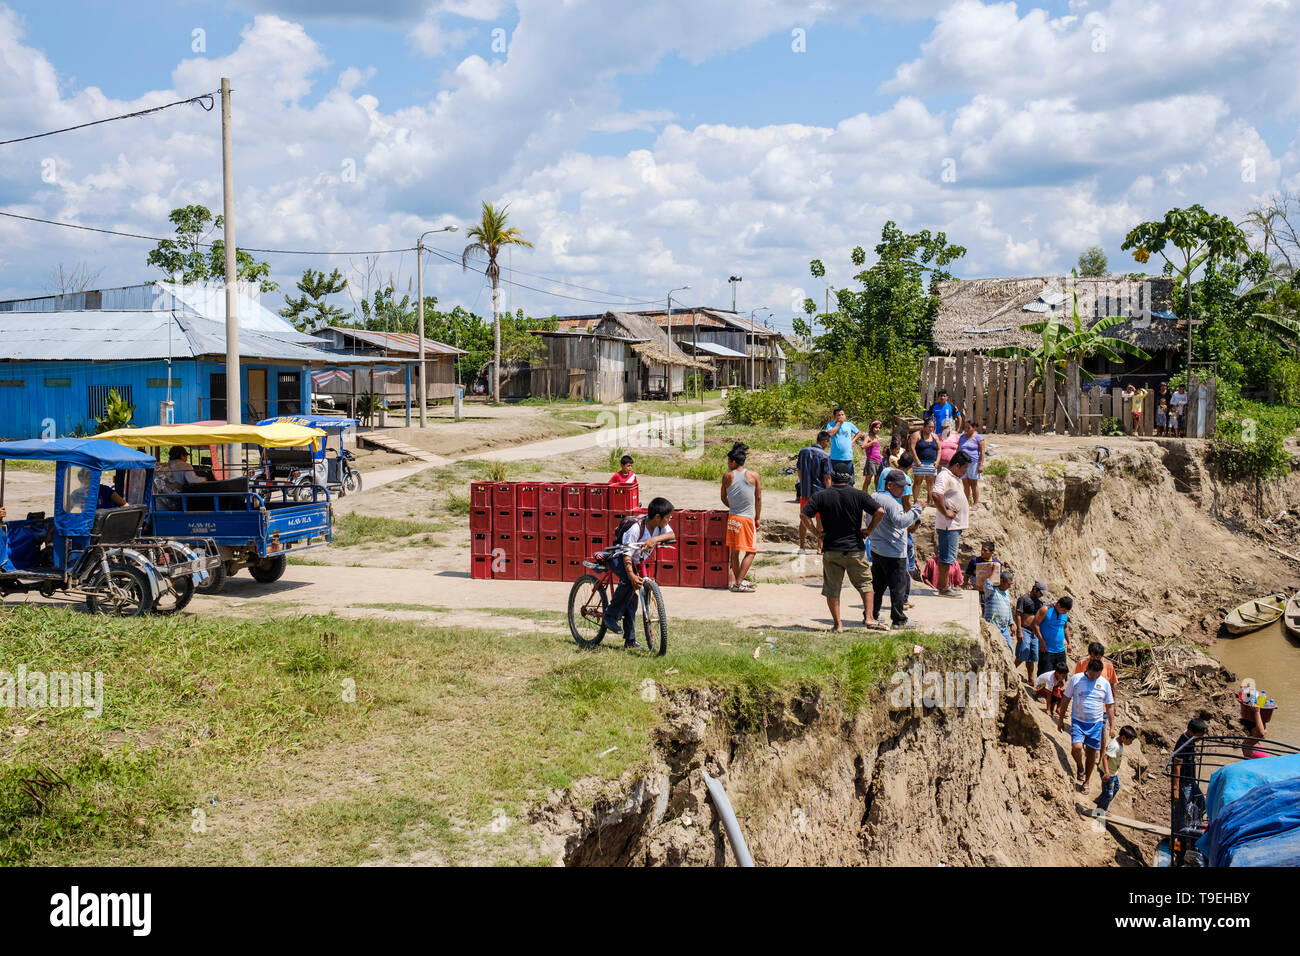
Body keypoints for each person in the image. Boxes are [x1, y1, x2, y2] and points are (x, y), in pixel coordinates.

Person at [800, 471, 881, 633]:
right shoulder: (859, 495)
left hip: (832, 549)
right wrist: (870, 530)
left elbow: (803, 514)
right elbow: (880, 512)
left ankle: (838, 625)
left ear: (831, 478)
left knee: (833, 588)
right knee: (865, 583)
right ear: (850, 479)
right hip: (855, 549)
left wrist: (816, 533)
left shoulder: (821, 495)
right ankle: (870, 618)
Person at [602, 496, 675, 646]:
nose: (669, 520)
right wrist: (631, 575)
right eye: (668, 517)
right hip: (619, 556)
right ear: (657, 517)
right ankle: (609, 615)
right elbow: (626, 557)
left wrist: (654, 540)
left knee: (632, 599)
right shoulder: (635, 528)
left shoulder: (659, 526)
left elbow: (671, 535)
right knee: (629, 582)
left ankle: (630, 639)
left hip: (636, 560)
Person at [864, 469, 924, 631]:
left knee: (877, 586)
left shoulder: (874, 497)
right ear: (889, 485)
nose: (903, 490)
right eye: (900, 487)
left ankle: (871, 615)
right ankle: (898, 620)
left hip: (878, 549)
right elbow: (901, 522)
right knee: (898, 588)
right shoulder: (891, 503)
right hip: (893, 552)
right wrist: (917, 509)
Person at [1059, 657, 1116, 790]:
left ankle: (1087, 781)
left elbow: (1109, 705)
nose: (1093, 678)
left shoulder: (1104, 683)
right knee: (1077, 747)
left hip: (1096, 723)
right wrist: (1061, 719)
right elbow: (1066, 698)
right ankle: (1080, 766)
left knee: (1091, 753)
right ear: (1087, 670)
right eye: (1091, 675)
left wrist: (1112, 726)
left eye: (1096, 676)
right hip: (1078, 721)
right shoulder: (1076, 679)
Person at [930, 450, 972, 595]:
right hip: (949, 525)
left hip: (954, 525)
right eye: (965, 467)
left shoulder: (954, 477)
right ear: (956, 465)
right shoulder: (944, 476)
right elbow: (936, 494)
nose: (966, 471)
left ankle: (947, 584)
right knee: (946, 557)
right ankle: (944, 587)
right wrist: (946, 512)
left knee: (949, 556)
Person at [721, 443, 761, 593]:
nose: (727, 464)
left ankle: (739, 581)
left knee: (735, 552)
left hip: (733, 518)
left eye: (728, 461)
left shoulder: (727, 476)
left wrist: (733, 506)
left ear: (734, 461)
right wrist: (757, 517)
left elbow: (723, 497)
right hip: (747, 519)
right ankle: (738, 583)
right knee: (751, 551)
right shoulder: (754, 475)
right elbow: (758, 498)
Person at [795, 431, 832, 553]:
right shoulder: (825, 456)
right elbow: (827, 477)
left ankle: (802, 547)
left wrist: (803, 484)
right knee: (820, 519)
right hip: (819, 493)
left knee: (804, 519)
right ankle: (819, 547)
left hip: (805, 492)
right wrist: (830, 492)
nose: (827, 445)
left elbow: (799, 472)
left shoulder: (803, 452)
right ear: (824, 441)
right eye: (828, 442)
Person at [1171, 717, 1208, 836]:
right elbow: (1177, 766)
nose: (1200, 738)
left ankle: (1194, 825)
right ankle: (1178, 836)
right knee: (1182, 810)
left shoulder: (1191, 741)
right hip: (1184, 783)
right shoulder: (1183, 744)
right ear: (1191, 732)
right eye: (1199, 736)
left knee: (1201, 802)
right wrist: (1176, 789)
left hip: (1191, 781)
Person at [1097, 725, 1138, 812]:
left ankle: (1101, 800)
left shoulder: (1120, 743)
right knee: (1109, 794)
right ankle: (1100, 811)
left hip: (1113, 773)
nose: (1131, 743)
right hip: (1109, 773)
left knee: (1116, 787)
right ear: (1123, 737)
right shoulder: (1115, 746)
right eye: (1130, 740)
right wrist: (1107, 772)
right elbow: (1104, 757)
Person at [1015, 580, 1047, 685]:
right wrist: (1019, 630)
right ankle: (1012, 670)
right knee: (1023, 652)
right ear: (1035, 589)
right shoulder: (1023, 599)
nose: (1041, 595)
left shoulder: (1040, 602)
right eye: (1040, 592)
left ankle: (1031, 679)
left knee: (1032, 656)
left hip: (1034, 632)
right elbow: (1018, 614)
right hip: (1025, 629)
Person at [1037, 595, 1073, 677]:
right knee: (1045, 675)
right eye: (1064, 610)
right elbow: (1035, 625)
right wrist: (1041, 641)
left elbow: (1065, 627)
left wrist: (1069, 643)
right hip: (1046, 649)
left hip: (1060, 650)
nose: (1065, 612)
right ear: (1058, 605)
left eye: (1066, 611)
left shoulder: (1065, 614)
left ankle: (1058, 690)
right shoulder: (1046, 609)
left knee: (1061, 676)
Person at [824, 407, 863, 482]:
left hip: (847, 457)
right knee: (835, 479)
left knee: (849, 480)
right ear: (835, 416)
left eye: (842, 414)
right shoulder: (831, 425)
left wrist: (853, 441)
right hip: (835, 457)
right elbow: (829, 434)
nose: (841, 416)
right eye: (839, 415)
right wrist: (838, 424)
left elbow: (859, 433)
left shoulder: (849, 424)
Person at [983, 567, 1016, 651]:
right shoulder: (992, 590)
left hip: (1004, 628)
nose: (1009, 587)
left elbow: (1008, 608)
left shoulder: (1006, 592)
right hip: (992, 625)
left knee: (1010, 650)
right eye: (1008, 584)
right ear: (1001, 581)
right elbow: (987, 584)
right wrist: (995, 570)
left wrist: (1011, 623)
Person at [908, 419, 940, 501]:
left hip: (932, 463)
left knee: (931, 483)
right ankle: (915, 500)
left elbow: (939, 449)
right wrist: (917, 460)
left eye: (933, 427)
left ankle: (931, 500)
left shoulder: (935, 436)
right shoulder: (917, 435)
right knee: (918, 482)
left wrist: (937, 461)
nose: (931, 429)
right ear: (924, 426)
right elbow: (912, 448)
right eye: (929, 427)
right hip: (920, 462)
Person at [957, 421, 985, 506]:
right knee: (965, 484)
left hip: (973, 463)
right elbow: (958, 450)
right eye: (965, 427)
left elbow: (982, 452)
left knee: (973, 484)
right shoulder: (962, 437)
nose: (966, 429)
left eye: (968, 427)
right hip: (962, 463)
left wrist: (981, 464)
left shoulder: (978, 438)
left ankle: (976, 503)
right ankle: (966, 503)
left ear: (974, 428)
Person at [862, 420, 885, 487]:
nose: (878, 429)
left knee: (877, 481)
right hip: (871, 461)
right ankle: (864, 496)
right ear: (872, 428)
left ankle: (877, 496)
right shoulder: (868, 437)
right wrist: (872, 442)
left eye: (879, 428)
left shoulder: (876, 437)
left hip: (879, 460)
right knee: (868, 481)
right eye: (876, 427)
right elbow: (863, 446)